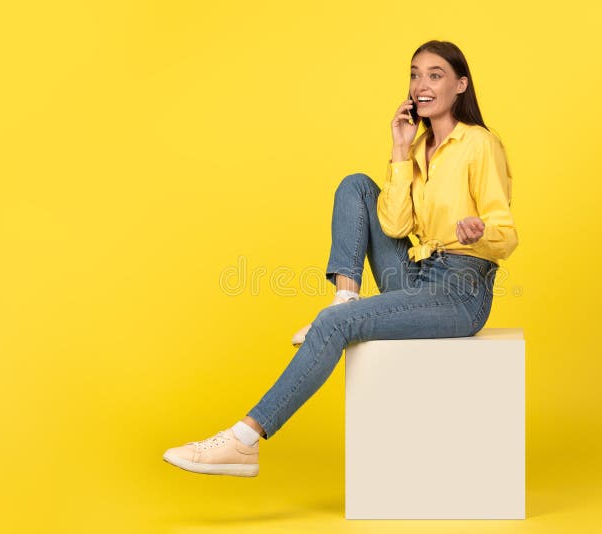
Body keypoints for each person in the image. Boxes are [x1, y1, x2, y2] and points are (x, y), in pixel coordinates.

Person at [162, 40, 519, 477]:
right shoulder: (419, 146)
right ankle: (345, 298)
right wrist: (401, 151)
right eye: (414, 74)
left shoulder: (479, 144)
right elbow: (393, 224)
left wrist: (480, 233)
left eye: (435, 75)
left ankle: (244, 440)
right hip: (417, 273)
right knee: (355, 185)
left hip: (460, 289)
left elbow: (505, 234)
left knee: (334, 328)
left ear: (460, 85)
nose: (421, 85)